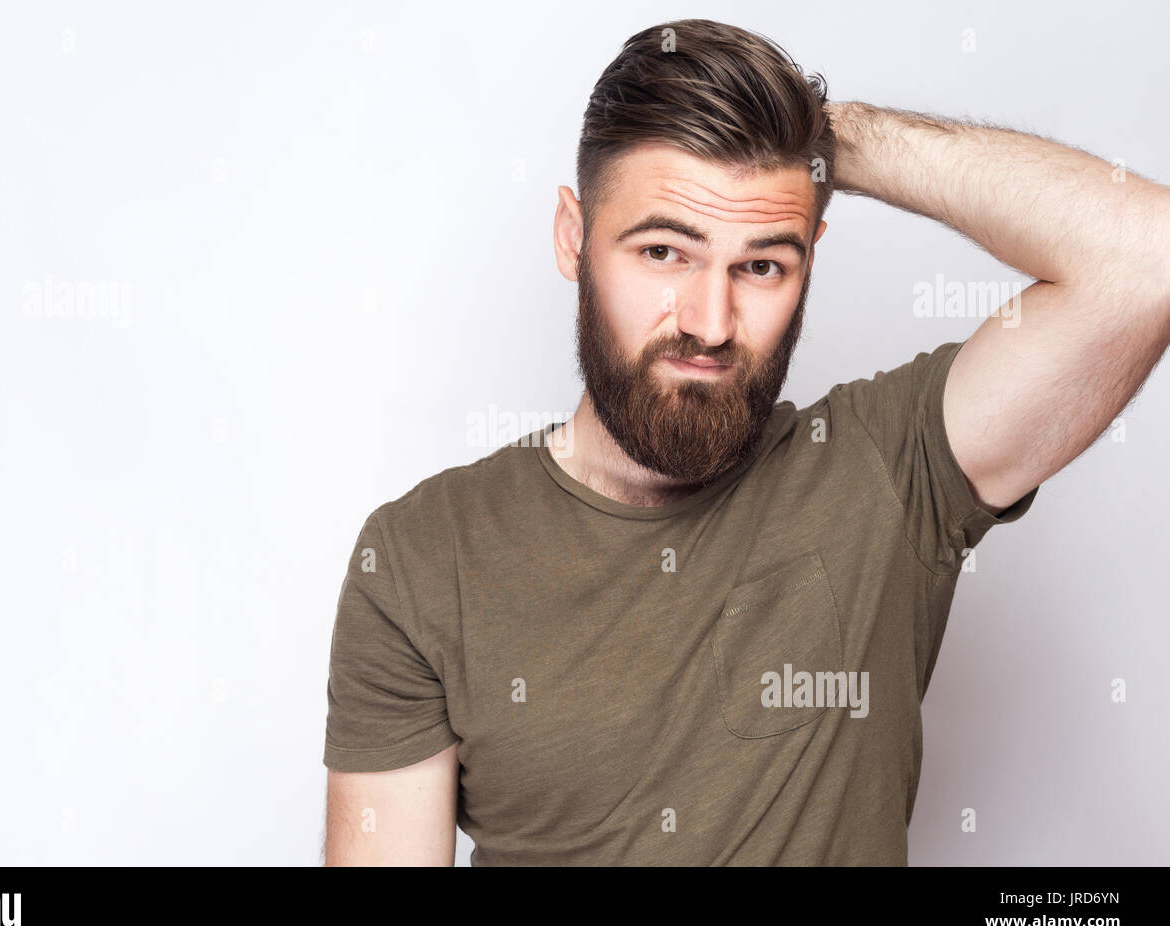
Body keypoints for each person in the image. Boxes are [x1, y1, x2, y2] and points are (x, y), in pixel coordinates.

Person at [322, 18, 1170, 865]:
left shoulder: (886, 469)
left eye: (762, 265)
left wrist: (833, 139)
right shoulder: (420, 558)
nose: (709, 323)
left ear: (810, 258)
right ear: (572, 239)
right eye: (664, 251)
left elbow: (1149, 258)